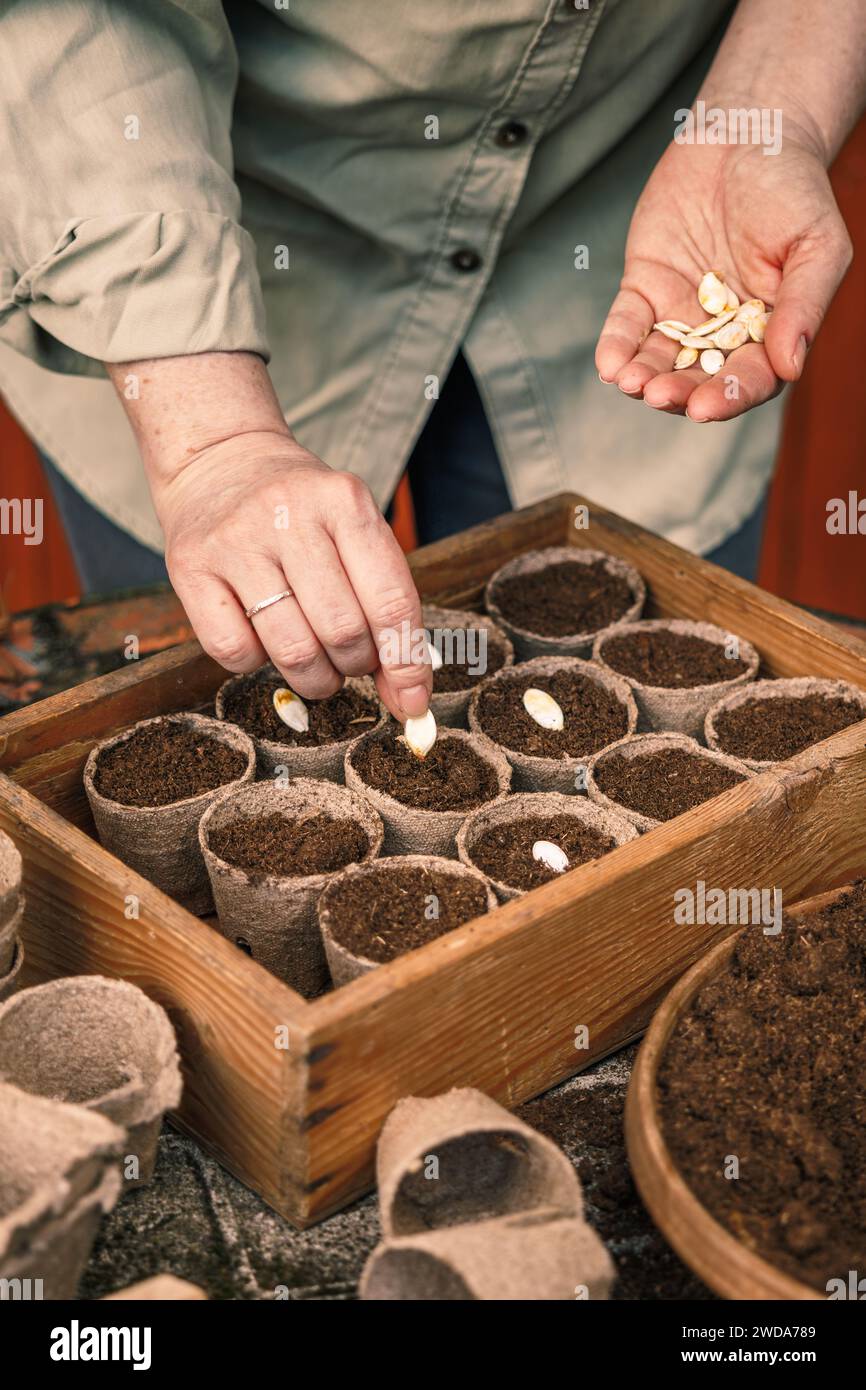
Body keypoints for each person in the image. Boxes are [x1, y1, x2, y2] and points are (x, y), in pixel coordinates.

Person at [0, 0, 861, 721]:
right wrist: (212, 445)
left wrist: (767, 112)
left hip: (633, 204)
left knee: (641, 678)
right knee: (232, 676)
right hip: (204, 227)